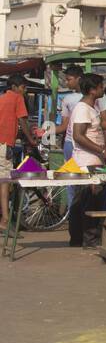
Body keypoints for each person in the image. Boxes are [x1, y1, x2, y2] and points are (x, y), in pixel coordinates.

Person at [68, 74, 106, 248]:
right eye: (101, 87)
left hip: (92, 160)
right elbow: (78, 136)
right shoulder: (82, 109)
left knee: (83, 200)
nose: (103, 89)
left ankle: (78, 239)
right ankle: (90, 239)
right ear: (92, 90)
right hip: (87, 161)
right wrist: (103, 150)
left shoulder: (90, 108)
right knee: (91, 200)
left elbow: (102, 127)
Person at [0, 79, 37, 232]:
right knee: (5, 180)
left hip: (5, 142)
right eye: (23, 86)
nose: (25, 89)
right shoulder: (17, 97)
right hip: (4, 143)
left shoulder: (2, 98)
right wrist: (31, 140)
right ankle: (5, 219)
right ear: (14, 87)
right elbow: (22, 120)